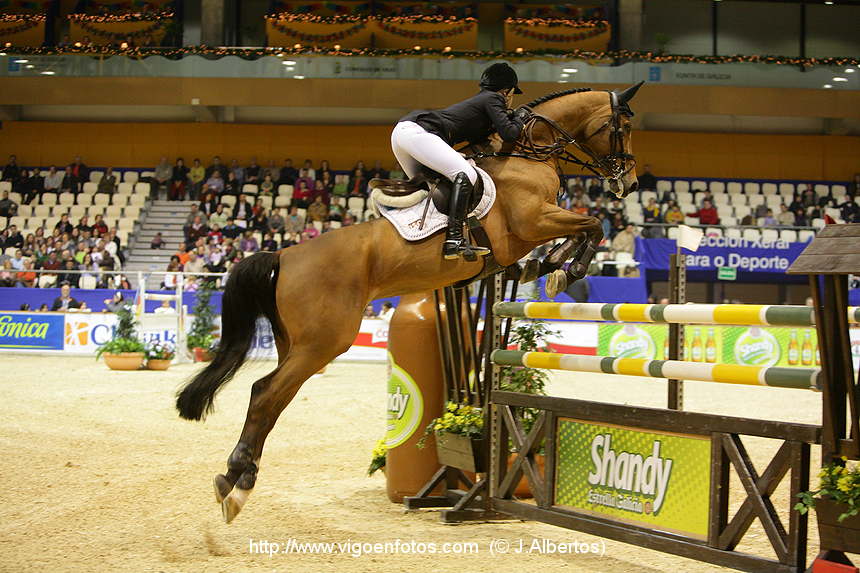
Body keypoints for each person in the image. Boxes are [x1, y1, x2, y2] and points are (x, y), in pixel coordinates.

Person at [391, 62, 527, 259]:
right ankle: (454, 239)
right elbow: (510, 133)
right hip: (419, 132)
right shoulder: (493, 98)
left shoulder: (482, 103)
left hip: (403, 135)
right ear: (507, 91)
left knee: (431, 189)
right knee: (466, 175)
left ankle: (416, 240)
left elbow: (482, 142)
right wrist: (520, 118)